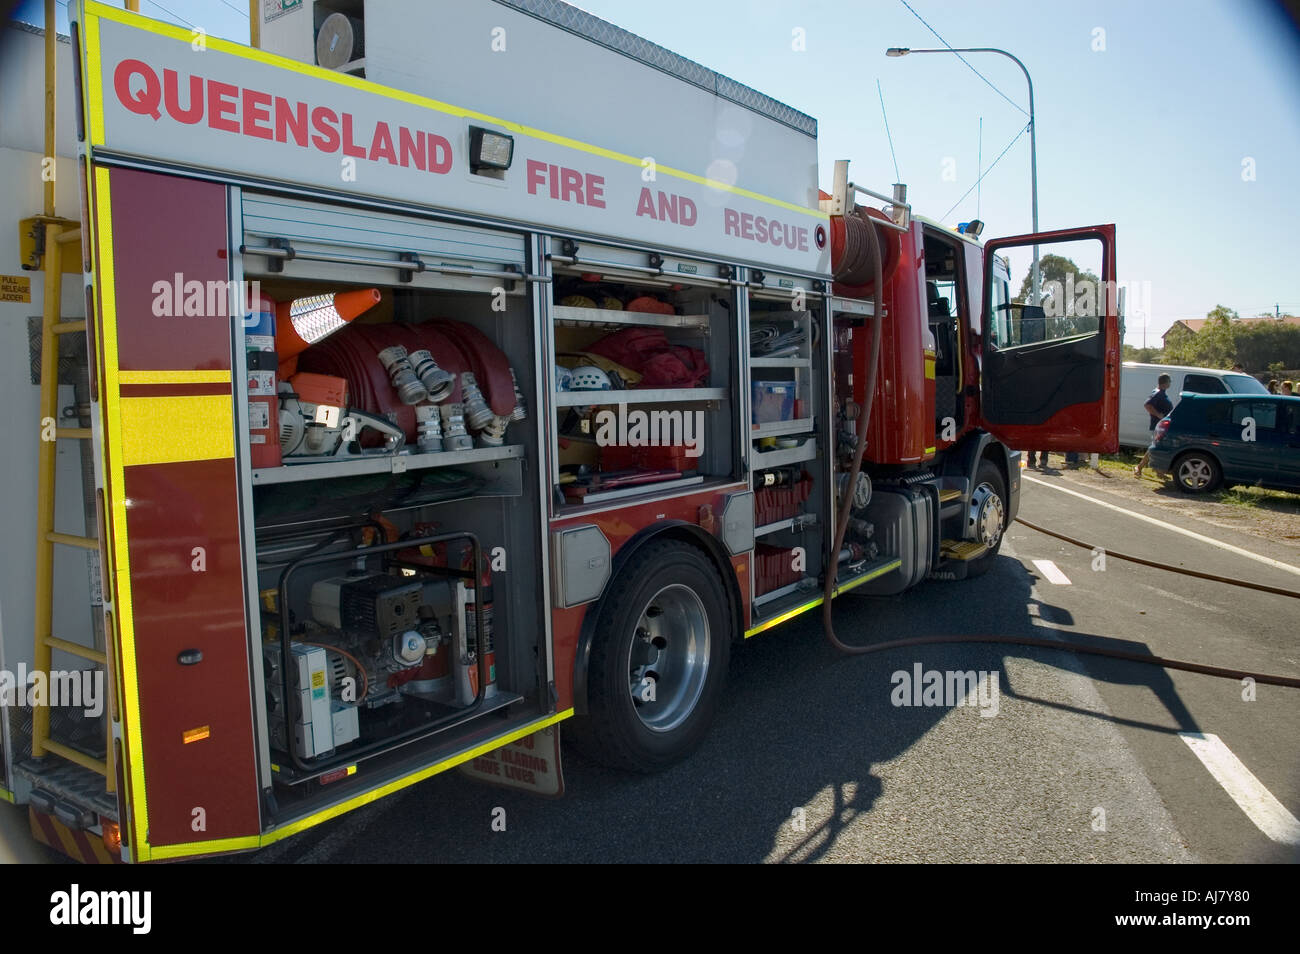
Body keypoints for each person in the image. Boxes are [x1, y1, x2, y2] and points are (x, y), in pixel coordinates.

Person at [1134, 373, 1174, 478]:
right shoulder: (1158, 393)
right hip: (1158, 426)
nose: (1170, 383)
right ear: (1165, 382)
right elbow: (1147, 404)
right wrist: (1158, 415)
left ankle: (1158, 471)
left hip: (1161, 426)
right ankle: (1139, 467)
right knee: (1154, 447)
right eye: (1170, 381)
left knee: (1156, 446)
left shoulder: (1162, 393)